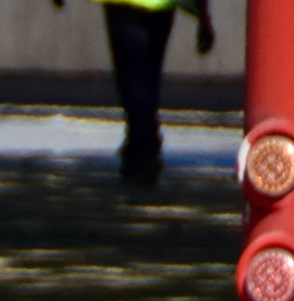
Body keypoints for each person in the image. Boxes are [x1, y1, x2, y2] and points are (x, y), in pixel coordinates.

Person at [56, 0, 216, 185]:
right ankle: (143, 146)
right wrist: (204, 17)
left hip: (124, 6)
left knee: (131, 77)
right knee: (148, 76)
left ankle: (142, 148)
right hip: (160, 6)